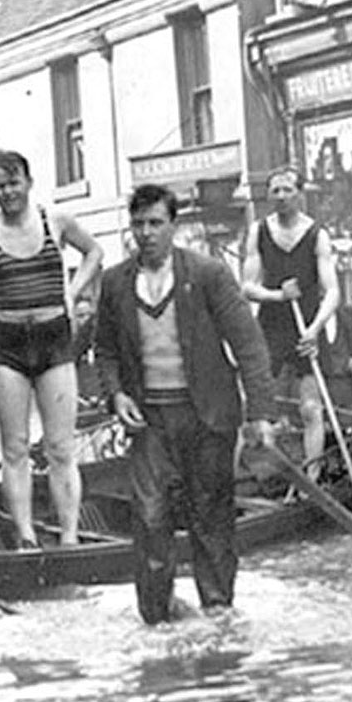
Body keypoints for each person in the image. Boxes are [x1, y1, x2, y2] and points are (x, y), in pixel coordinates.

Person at [94, 184, 278, 624]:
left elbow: (249, 346)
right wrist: (116, 394)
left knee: (211, 519)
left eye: (156, 223)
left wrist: (261, 415)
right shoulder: (115, 283)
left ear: (173, 226)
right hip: (149, 422)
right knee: (149, 519)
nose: (147, 233)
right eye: (138, 224)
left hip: (207, 417)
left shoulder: (208, 275)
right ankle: (155, 618)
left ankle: (217, 612)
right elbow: (105, 351)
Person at [0, 149, 104, 548]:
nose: (7, 192)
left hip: (53, 337)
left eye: (13, 183)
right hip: (7, 342)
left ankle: (70, 537)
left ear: (29, 183)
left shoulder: (57, 222)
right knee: (15, 447)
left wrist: (73, 292)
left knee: (60, 446)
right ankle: (26, 535)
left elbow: (94, 252)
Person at [242, 165, 341, 478]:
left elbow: (333, 291)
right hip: (272, 327)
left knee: (311, 409)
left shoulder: (317, 234)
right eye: (275, 191)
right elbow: (246, 287)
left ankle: (311, 478)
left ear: (300, 193)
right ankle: (246, 477)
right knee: (255, 408)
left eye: (288, 190)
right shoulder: (259, 231)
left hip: (307, 328)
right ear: (268, 195)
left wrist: (315, 329)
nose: (282, 196)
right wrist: (277, 296)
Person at [319, 303, 352, 434]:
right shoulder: (303, 316)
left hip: (350, 395)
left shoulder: (347, 314)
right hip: (321, 392)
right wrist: (342, 363)